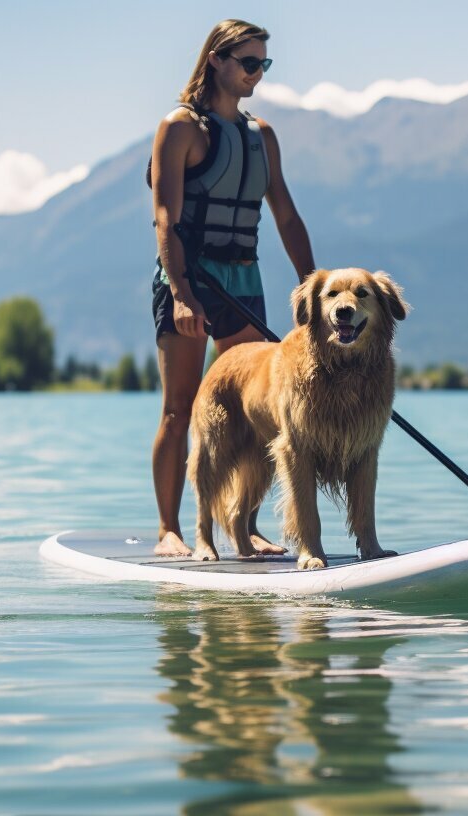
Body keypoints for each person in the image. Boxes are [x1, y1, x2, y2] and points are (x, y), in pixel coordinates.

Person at [149, 19, 315, 557]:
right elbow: (165, 219)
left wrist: (310, 287)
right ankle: (170, 530)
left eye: (264, 64)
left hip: (243, 279)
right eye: (249, 62)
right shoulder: (180, 128)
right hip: (192, 278)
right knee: (180, 408)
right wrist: (180, 292)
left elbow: (286, 217)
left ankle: (244, 526)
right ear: (217, 60)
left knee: (254, 410)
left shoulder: (261, 136)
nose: (257, 74)